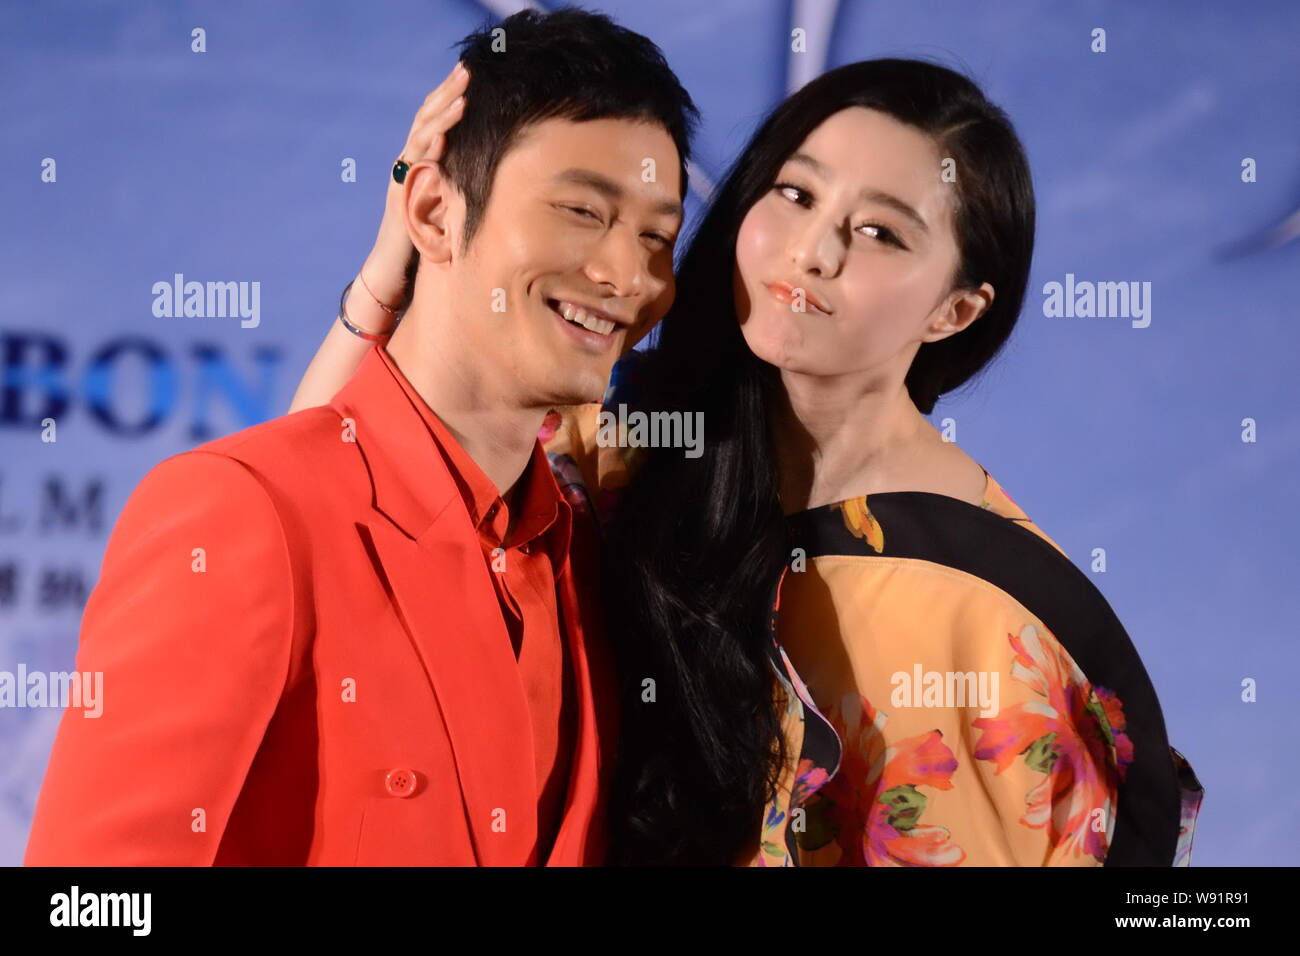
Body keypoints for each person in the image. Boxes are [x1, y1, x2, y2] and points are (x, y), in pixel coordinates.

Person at [290, 59, 1204, 867]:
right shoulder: (630, 444)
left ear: (954, 313)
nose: (814, 251)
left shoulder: (994, 623)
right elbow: (326, 498)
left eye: (881, 232)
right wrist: (398, 260)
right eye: (797, 196)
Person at [24, 7, 698, 866]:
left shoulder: (594, 554)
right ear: (432, 209)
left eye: (658, 237)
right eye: (580, 210)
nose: (627, 275)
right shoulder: (243, 515)